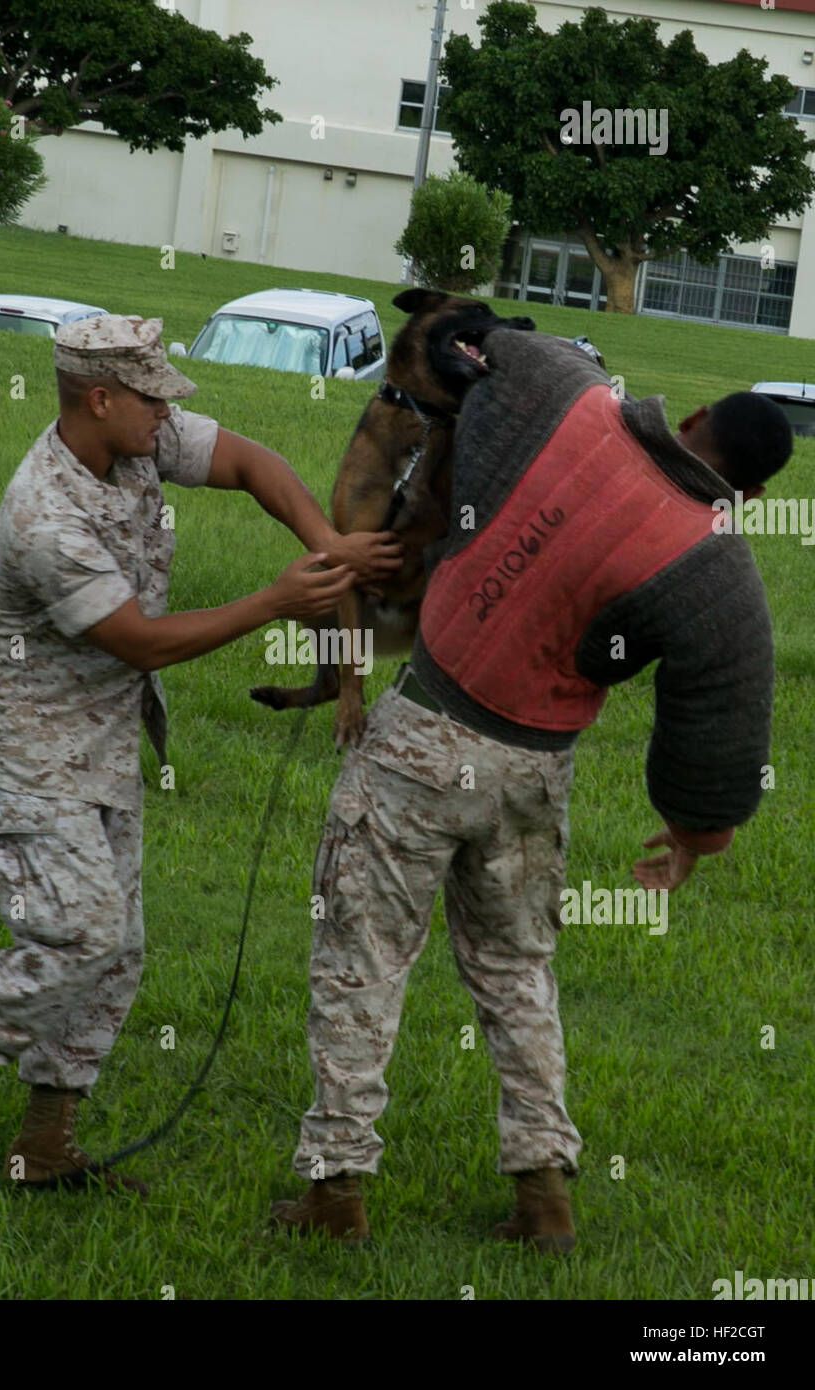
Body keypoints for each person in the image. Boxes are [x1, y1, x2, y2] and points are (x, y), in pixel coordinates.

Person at [271, 330, 794, 1249]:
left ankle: (336, 1187)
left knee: (361, 962)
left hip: (421, 736)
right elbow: (725, 714)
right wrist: (692, 838)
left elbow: (480, 343)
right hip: (533, 773)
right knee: (518, 974)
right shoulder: (718, 569)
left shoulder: (570, 397)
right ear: (750, 495)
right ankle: (543, 1191)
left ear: (700, 416)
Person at [0, 314, 402, 1194]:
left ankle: (45, 1141)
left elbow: (251, 462)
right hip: (30, 741)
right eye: (152, 396)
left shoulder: (135, 441)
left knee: (118, 951)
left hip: (104, 737)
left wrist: (326, 543)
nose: (169, 412)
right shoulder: (44, 513)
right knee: (78, 929)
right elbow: (141, 642)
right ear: (100, 397)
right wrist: (273, 603)